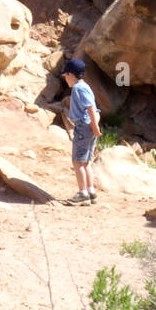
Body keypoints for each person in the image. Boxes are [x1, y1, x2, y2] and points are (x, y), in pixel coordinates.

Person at [62, 58, 100, 205]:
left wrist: (95, 127)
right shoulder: (86, 86)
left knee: (77, 161)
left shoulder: (78, 88)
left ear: (70, 74)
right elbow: (94, 108)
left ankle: (82, 193)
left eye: (65, 76)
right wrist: (95, 125)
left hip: (83, 126)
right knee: (86, 162)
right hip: (89, 125)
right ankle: (91, 191)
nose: (66, 79)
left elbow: (90, 107)